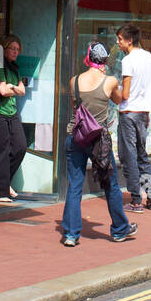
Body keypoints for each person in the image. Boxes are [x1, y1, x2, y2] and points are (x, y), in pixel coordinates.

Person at [61, 43, 137, 246]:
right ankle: (120, 229)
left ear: (88, 58)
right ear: (104, 61)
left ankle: (70, 234)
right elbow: (120, 100)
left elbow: (77, 109)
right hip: (98, 140)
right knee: (110, 184)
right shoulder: (110, 81)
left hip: (76, 136)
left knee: (75, 185)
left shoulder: (74, 81)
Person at [116, 23, 151, 213]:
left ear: (129, 40)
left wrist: (112, 90)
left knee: (129, 156)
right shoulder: (149, 57)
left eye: (120, 39)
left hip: (128, 113)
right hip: (143, 113)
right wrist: (146, 107)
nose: (118, 42)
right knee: (142, 154)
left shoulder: (128, 60)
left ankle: (135, 200)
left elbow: (125, 94)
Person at [0, 35, 27, 204]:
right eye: (12, 48)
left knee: (20, 147)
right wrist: (12, 88)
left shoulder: (14, 68)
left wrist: (13, 88)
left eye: (17, 50)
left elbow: (22, 91)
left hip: (12, 113)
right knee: (1, 153)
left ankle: (4, 183)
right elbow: (2, 90)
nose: (15, 52)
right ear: (4, 48)